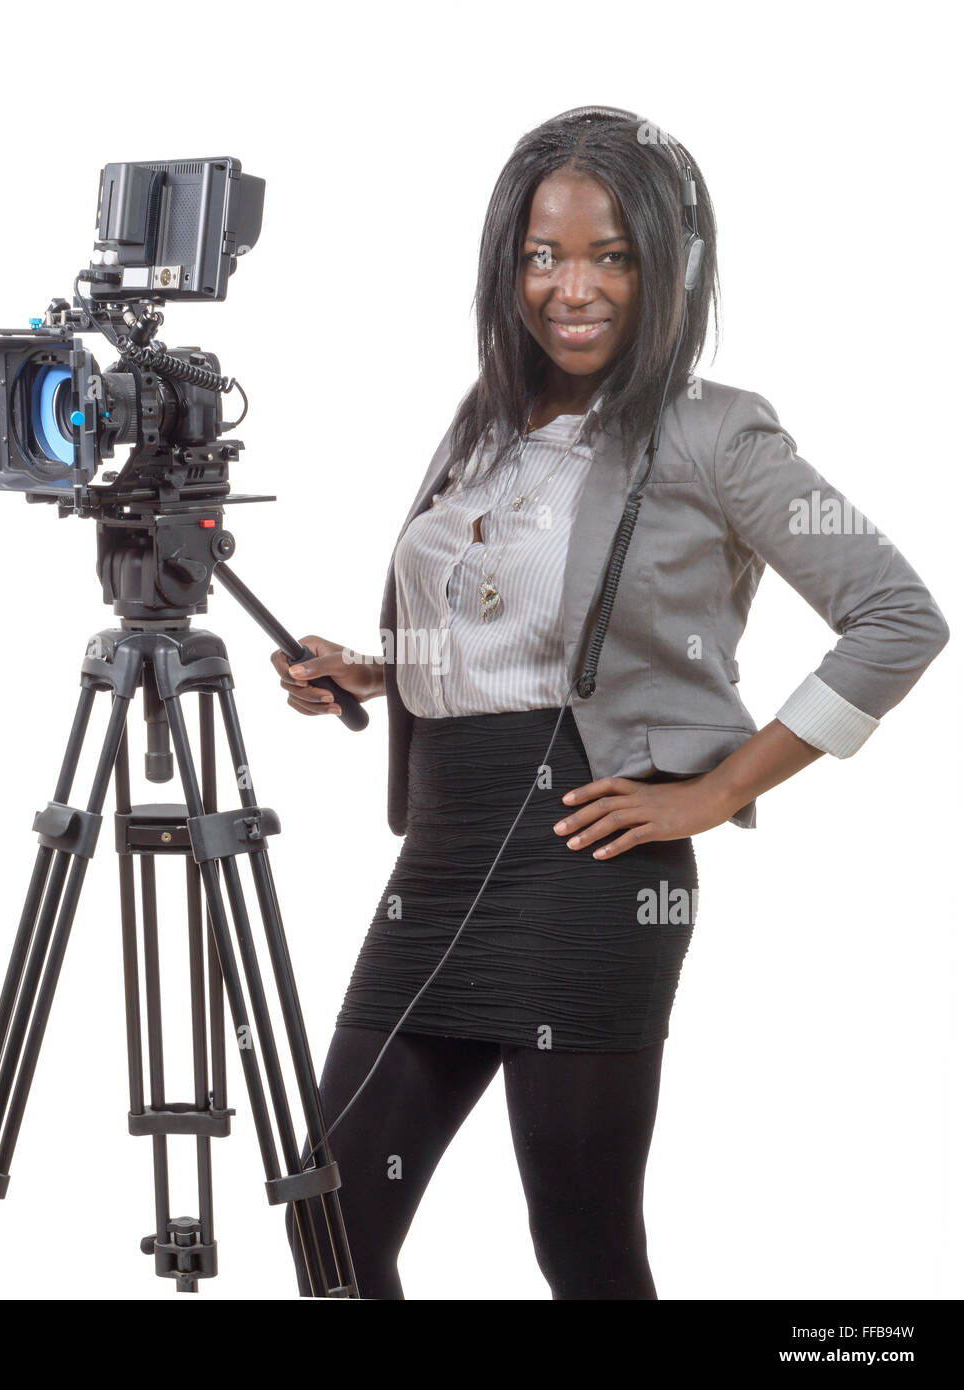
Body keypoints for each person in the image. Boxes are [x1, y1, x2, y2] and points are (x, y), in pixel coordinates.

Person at [270, 106, 950, 1300]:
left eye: (610, 255)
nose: (570, 288)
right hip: (440, 863)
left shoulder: (712, 432)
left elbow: (899, 616)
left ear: (666, 267)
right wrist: (376, 664)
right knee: (332, 1224)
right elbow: (504, 614)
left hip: (589, 875)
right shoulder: (483, 419)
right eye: (543, 255)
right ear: (506, 264)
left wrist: (722, 788)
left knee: (581, 1251)